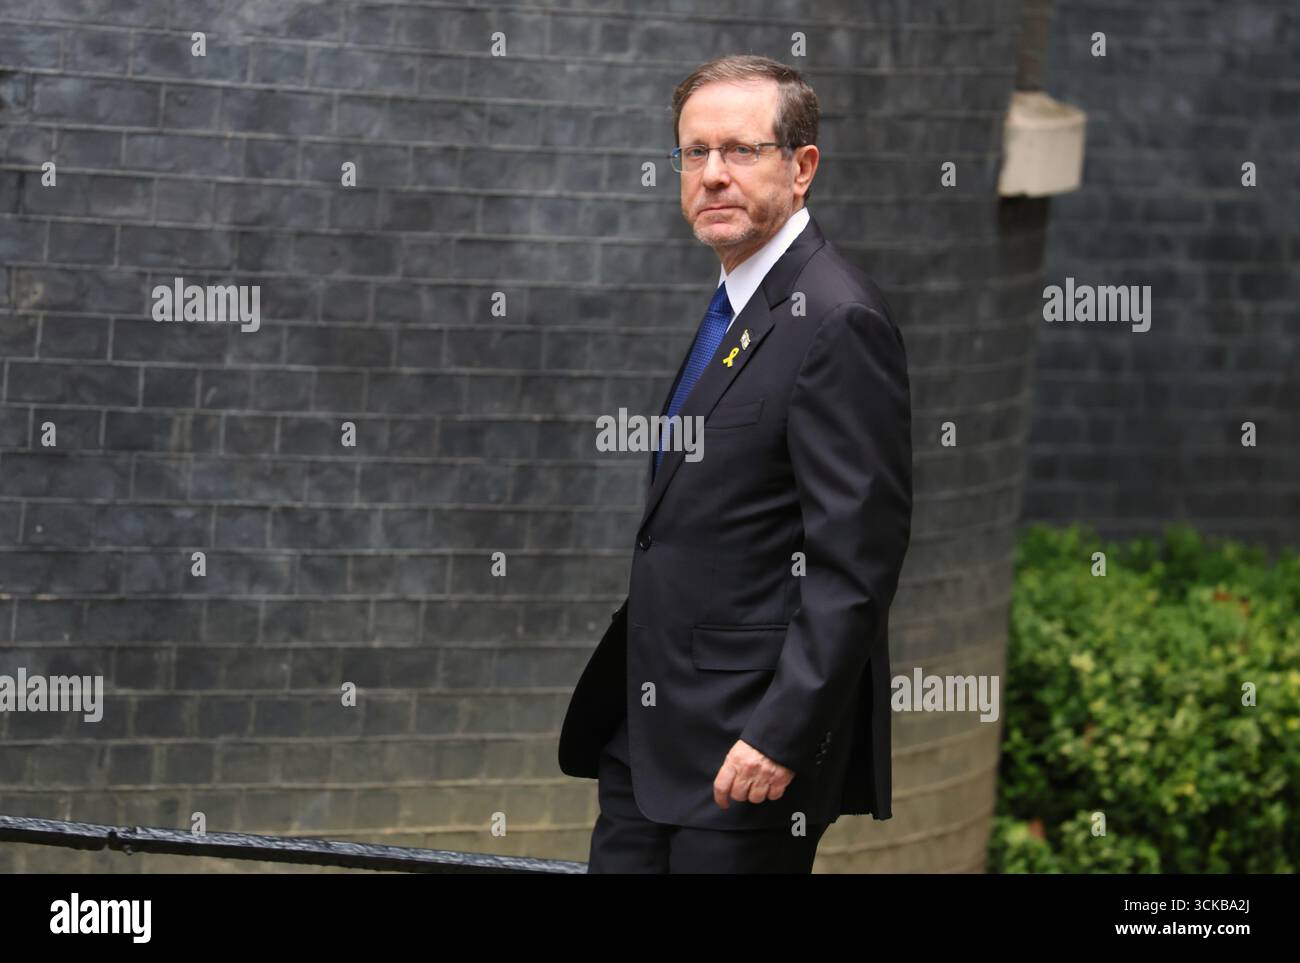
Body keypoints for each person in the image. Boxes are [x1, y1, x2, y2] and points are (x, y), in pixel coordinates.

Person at [558, 54, 914, 873]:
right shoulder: (738, 302)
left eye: (741, 150)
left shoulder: (837, 318)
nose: (713, 173)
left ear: (802, 166)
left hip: (745, 759)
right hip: (649, 740)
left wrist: (781, 733)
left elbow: (856, 562)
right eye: (695, 152)